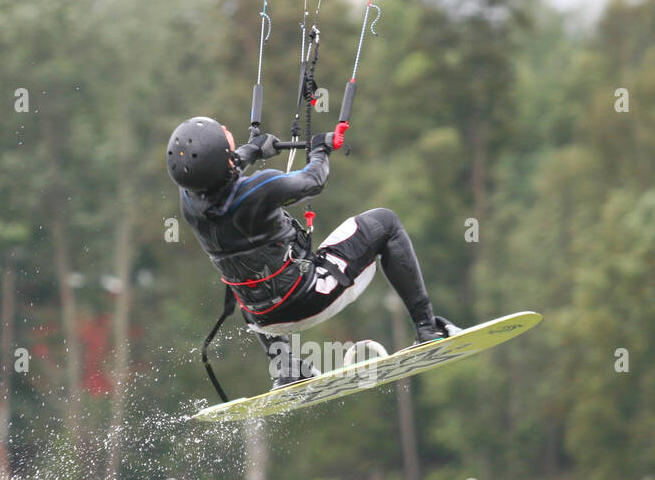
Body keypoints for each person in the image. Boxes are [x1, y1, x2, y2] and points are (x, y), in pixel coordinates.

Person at [166, 116, 460, 388]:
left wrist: (251, 150)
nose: (228, 131)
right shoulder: (261, 188)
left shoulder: (190, 203)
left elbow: (219, 177)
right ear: (224, 159)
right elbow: (313, 180)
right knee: (386, 222)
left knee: (251, 281)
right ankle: (427, 328)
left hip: (263, 320)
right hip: (310, 298)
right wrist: (320, 150)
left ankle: (285, 368)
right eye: (225, 134)